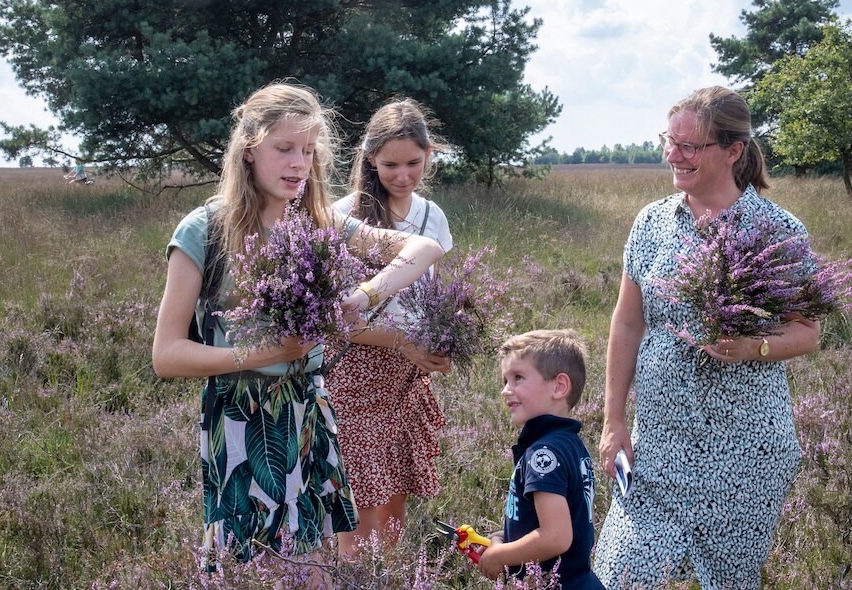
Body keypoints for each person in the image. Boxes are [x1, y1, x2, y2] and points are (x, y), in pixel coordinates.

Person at [150, 82, 445, 575]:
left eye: (308, 151)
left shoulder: (319, 223)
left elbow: (423, 249)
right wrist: (267, 352)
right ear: (249, 150)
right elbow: (167, 354)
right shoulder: (203, 230)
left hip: (309, 410)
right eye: (284, 148)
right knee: (249, 568)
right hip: (242, 420)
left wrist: (362, 296)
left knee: (313, 569)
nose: (298, 163)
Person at [593, 86, 820, 589]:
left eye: (689, 146)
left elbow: (808, 331)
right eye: (668, 142)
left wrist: (752, 348)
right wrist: (613, 422)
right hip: (656, 450)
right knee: (619, 574)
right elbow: (627, 323)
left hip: (745, 455)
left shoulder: (778, 230)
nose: (673, 155)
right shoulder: (652, 222)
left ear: (733, 150)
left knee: (730, 583)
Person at [324, 98, 454, 558]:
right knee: (359, 505)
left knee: (395, 497)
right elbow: (335, 321)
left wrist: (442, 344)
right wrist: (405, 342)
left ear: (429, 156)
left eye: (413, 163)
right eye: (390, 164)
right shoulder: (342, 217)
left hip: (407, 377)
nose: (402, 175)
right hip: (355, 377)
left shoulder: (432, 216)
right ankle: (354, 577)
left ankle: (388, 576)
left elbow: (437, 299)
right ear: (370, 158)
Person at [477, 329, 604, 590]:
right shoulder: (571, 444)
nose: (505, 391)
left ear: (559, 386)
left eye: (517, 378)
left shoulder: (542, 454)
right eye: (505, 380)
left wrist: (499, 556)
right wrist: (507, 539)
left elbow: (556, 537)